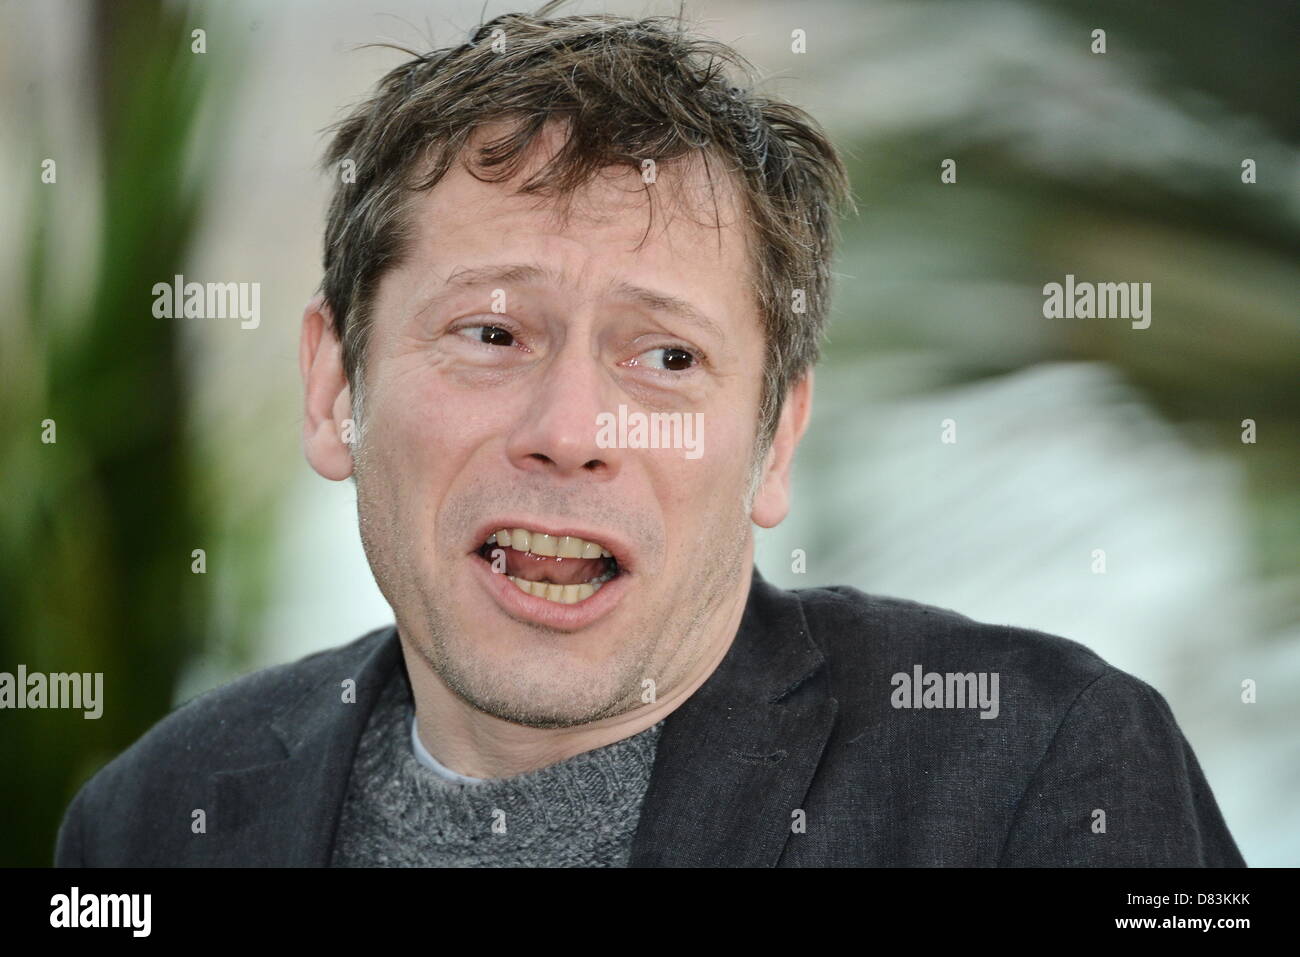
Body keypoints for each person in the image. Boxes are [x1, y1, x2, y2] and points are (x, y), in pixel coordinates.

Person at [55, 4, 1245, 867]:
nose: (571, 431)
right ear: (333, 387)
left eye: (667, 357)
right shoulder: (152, 820)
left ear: (775, 441)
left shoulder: (1043, 769)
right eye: (488, 332)